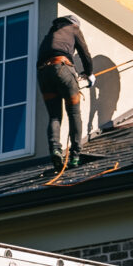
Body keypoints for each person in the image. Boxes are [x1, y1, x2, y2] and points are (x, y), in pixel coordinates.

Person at [37, 13, 95, 170]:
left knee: (54, 116)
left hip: (43, 74)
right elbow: (85, 54)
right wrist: (89, 73)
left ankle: (55, 149)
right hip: (62, 68)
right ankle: (75, 155)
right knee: (74, 113)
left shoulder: (50, 34)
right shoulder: (74, 28)